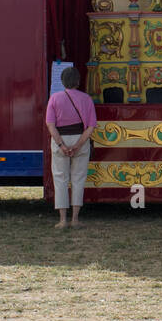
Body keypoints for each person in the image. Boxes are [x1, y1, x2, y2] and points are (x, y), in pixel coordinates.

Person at [45, 66, 97, 228]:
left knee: (60, 179)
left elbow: (50, 125)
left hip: (60, 140)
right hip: (80, 140)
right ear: (78, 82)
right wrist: (78, 145)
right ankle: (75, 219)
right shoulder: (86, 99)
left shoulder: (54, 98)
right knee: (78, 179)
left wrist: (61, 145)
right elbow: (90, 126)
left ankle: (62, 220)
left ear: (62, 81)